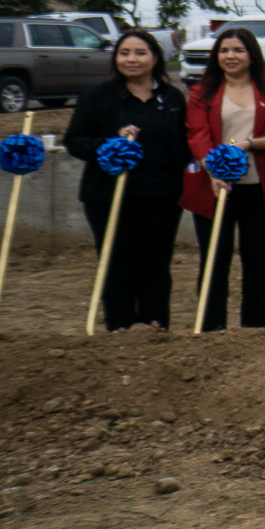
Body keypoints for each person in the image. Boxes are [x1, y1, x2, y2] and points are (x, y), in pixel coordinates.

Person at [65, 29, 189, 330]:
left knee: (156, 266)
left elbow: (183, 145)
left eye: (140, 53)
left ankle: (155, 329)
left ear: (155, 57)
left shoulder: (172, 98)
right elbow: (74, 141)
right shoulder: (97, 97)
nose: (131, 59)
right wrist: (108, 144)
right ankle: (120, 332)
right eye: (124, 53)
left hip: (162, 197)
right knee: (118, 264)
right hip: (110, 198)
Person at [181, 27, 265, 330]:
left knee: (256, 260)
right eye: (224, 50)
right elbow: (197, 133)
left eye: (238, 50)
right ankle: (211, 330)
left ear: (251, 55)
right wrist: (213, 170)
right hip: (215, 188)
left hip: (260, 187)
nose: (230, 56)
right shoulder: (202, 92)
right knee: (215, 258)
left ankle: (254, 330)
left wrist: (251, 144)